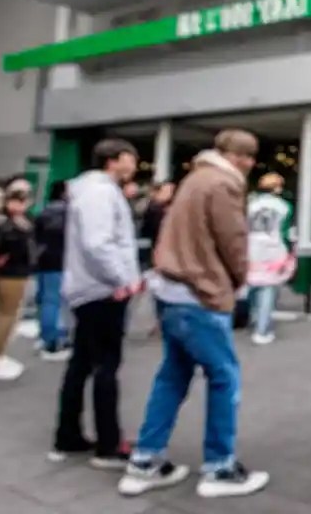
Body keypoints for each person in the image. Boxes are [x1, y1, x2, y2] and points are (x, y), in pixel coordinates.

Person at [119, 130, 269, 499]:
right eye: (247, 157)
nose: (250, 164)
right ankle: (219, 467)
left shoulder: (194, 178)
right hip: (200, 292)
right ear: (236, 157)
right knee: (224, 377)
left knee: (172, 374)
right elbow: (233, 241)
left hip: (170, 290)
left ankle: (145, 461)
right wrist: (238, 282)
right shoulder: (224, 184)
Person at [52, 139, 143, 469]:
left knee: (82, 363)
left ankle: (69, 433)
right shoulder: (100, 192)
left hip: (90, 288)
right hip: (101, 291)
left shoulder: (90, 190)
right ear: (114, 160)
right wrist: (122, 280)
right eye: (130, 158)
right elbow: (98, 243)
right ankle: (108, 443)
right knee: (106, 365)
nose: (134, 165)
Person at [0, 190, 35, 381]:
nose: (19, 206)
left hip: (18, 271)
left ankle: (0, 354)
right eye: (15, 202)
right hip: (9, 272)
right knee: (6, 315)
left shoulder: (23, 221)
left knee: (9, 314)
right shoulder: (4, 225)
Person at [246, 172, 294, 346]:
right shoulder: (284, 206)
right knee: (268, 289)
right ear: (277, 188)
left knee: (252, 284)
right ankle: (262, 330)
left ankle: (253, 316)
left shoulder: (250, 204)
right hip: (274, 249)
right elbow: (286, 231)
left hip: (251, 248)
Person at [35, 181, 71, 360]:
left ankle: (46, 335)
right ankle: (55, 338)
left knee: (47, 299)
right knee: (58, 300)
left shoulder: (44, 211)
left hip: (44, 259)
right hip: (63, 259)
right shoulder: (69, 213)